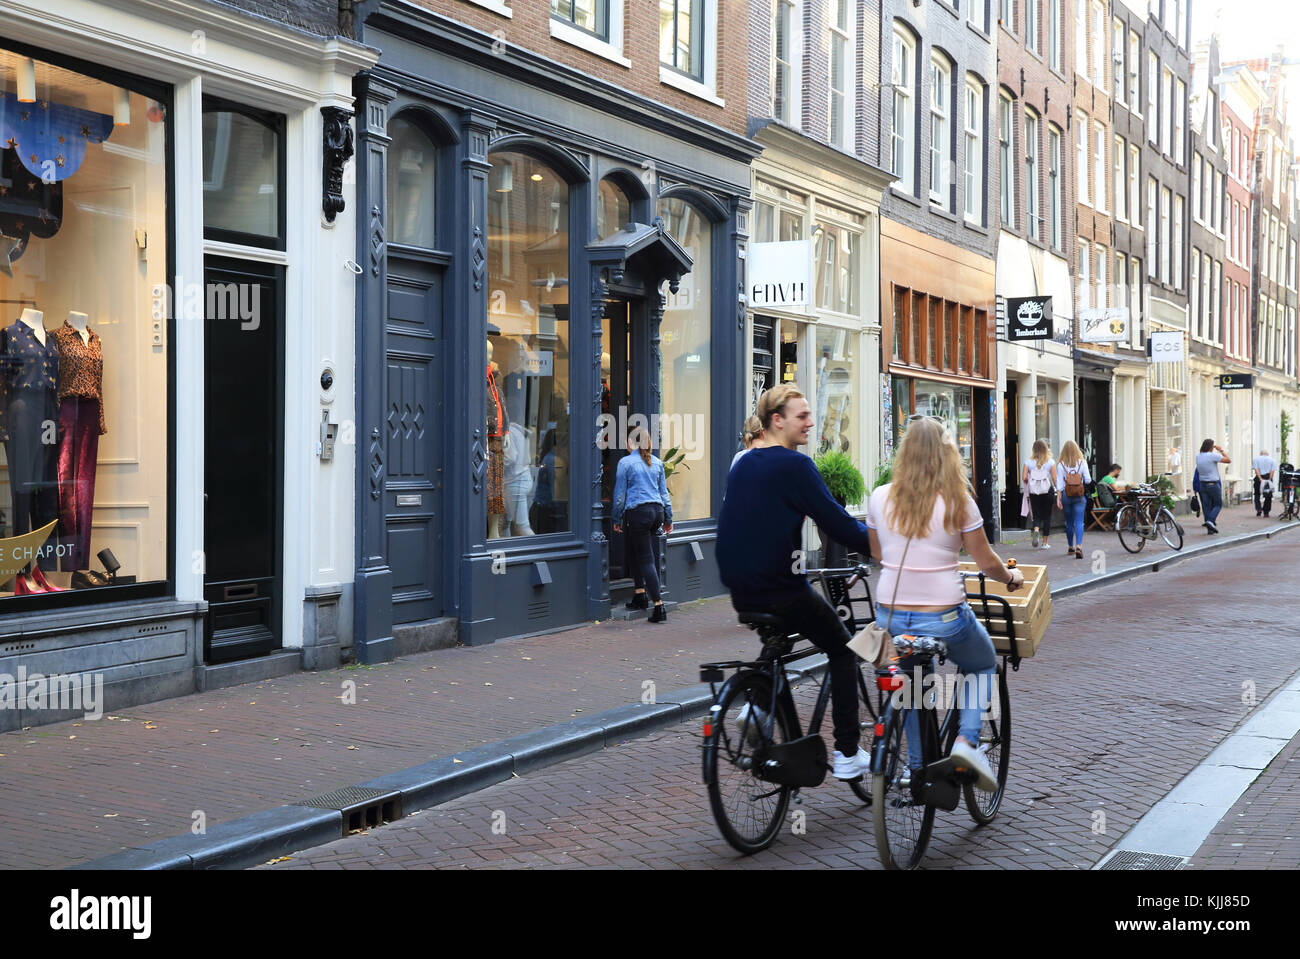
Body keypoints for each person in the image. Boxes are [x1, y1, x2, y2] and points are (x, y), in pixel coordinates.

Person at [717, 384, 875, 780]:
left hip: (739, 586)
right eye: (801, 416)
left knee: (779, 639)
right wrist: (886, 544)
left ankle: (757, 705)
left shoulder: (743, 464)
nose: (810, 422)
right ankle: (847, 752)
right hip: (781, 586)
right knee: (843, 649)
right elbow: (837, 524)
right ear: (777, 420)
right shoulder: (795, 466)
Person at [866, 416, 1023, 791]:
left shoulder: (879, 497)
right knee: (982, 663)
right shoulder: (958, 502)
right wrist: (1012, 578)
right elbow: (986, 563)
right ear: (947, 455)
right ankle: (967, 742)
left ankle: (917, 770)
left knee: (912, 686)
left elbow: (876, 554)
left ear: (904, 455)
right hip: (943, 616)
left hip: (889, 615)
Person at [612, 429, 674, 622]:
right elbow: (664, 494)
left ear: (631, 442)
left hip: (638, 512)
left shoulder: (626, 462)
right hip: (656, 512)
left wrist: (616, 518)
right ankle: (640, 595)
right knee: (633, 551)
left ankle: (658, 606)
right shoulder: (657, 462)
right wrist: (668, 519)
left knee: (645, 559)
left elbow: (620, 495)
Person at [1055, 440, 1092, 559]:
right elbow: (1088, 480)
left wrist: (1058, 498)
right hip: (1080, 496)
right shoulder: (1082, 463)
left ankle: (1070, 546)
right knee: (1079, 522)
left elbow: (1059, 484)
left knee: (1069, 522)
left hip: (1066, 495)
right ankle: (1079, 546)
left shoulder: (1061, 464)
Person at [1021, 439, 1058, 550]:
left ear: (1034, 449)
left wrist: (1031, 479)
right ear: (1046, 449)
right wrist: (1059, 490)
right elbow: (1055, 479)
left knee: (1036, 514)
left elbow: (1024, 478)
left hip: (1034, 492)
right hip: (1047, 491)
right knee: (1047, 516)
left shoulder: (1028, 462)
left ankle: (1036, 530)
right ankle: (1045, 543)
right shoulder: (1051, 462)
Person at [1195, 439, 1230, 534]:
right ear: (1211, 447)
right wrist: (1221, 450)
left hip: (1203, 484)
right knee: (1218, 504)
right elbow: (1228, 460)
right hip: (1213, 484)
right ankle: (1210, 521)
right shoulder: (1212, 456)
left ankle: (1210, 529)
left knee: (1206, 506)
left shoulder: (1198, 456)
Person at [1253, 448, 1278, 518]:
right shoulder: (1272, 460)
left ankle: (1258, 509)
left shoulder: (1256, 459)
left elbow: (1256, 469)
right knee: (1268, 495)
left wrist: (1260, 478)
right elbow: (1272, 471)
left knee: (1257, 494)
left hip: (1259, 478)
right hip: (1268, 477)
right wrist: (1269, 479)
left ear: (1260, 453)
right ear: (1267, 454)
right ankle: (1266, 512)